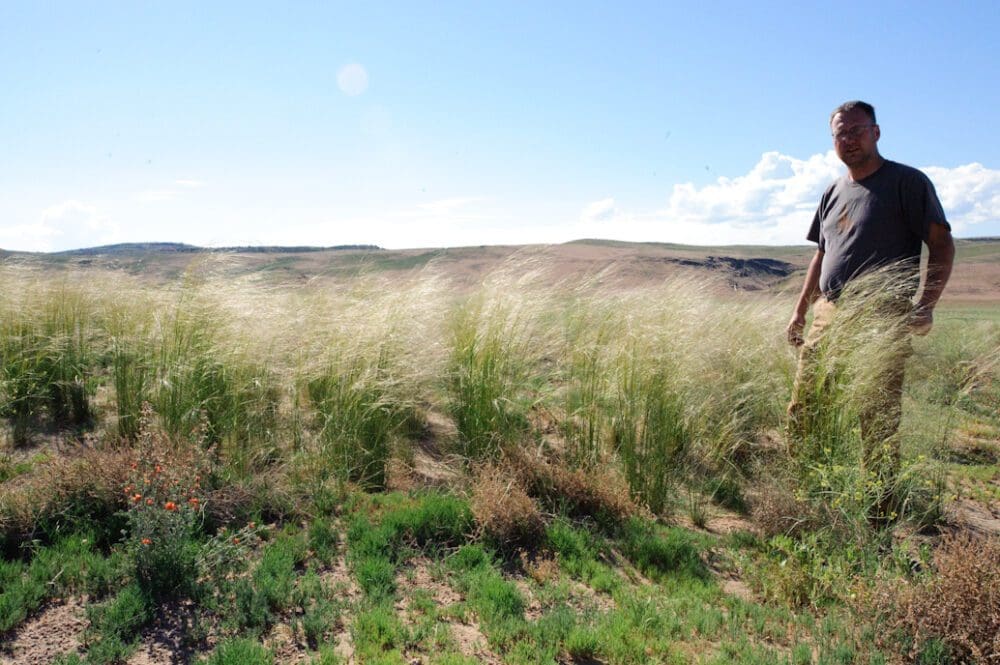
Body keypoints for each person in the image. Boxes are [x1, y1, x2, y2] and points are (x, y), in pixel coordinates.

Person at [785, 100, 955, 521]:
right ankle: (805, 497)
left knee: (876, 415)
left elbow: (941, 243)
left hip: (881, 315)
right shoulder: (832, 191)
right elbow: (822, 256)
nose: (848, 140)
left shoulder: (907, 183)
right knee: (807, 406)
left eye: (857, 131)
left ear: (876, 132)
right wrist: (801, 311)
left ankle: (879, 514)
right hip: (830, 312)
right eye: (840, 134)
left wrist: (926, 305)